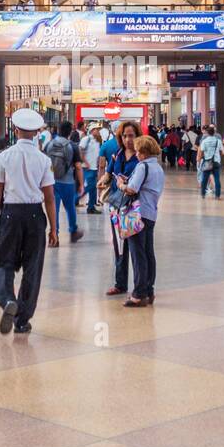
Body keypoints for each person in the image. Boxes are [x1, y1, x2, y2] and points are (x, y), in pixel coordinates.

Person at [0, 108, 58, 336]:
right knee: (32, 268)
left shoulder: (4, 156)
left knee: (4, 262)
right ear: (36, 132)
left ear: (15, 130)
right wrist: (54, 229)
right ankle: (23, 320)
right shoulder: (44, 159)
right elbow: (49, 198)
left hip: (11, 214)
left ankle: (7, 299)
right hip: (35, 216)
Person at [118, 135, 166, 308]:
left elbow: (132, 189)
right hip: (151, 213)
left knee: (137, 254)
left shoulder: (142, 166)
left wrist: (121, 185)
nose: (136, 154)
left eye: (138, 151)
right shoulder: (158, 168)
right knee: (148, 253)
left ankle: (138, 294)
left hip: (136, 213)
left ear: (144, 152)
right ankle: (149, 290)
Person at [104, 121, 142, 297]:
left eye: (131, 135)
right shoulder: (117, 154)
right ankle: (120, 283)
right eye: (125, 136)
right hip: (115, 205)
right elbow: (108, 174)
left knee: (134, 247)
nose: (128, 139)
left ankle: (140, 287)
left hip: (132, 207)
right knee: (118, 245)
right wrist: (102, 181)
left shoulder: (141, 158)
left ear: (137, 136)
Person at [47, 121, 85, 243]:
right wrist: (81, 184)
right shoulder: (73, 146)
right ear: (70, 132)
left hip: (51, 182)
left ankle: (55, 235)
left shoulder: (49, 144)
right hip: (68, 182)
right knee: (70, 208)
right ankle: (73, 231)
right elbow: (78, 167)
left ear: (58, 130)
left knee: (54, 208)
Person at [197, 124, 224, 199]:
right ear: (214, 132)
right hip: (216, 162)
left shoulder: (204, 141)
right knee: (217, 179)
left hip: (207, 162)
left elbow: (201, 152)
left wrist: (200, 159)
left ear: (208, 133)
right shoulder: (218, 141)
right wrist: (217, 156)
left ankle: (203, 194)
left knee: (204, 179)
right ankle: (217, 195)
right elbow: (223, 152)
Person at [81, 125, 103, 213]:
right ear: (92, 130)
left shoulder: (97, 141)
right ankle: (74, 198)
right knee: (89, 187)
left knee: (93, 189)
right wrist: (86, 163)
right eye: (96, 129)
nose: (98, 131)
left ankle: (91, 207)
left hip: (94, 168)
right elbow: (80, 151)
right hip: (87, 168)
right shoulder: (86, 139)